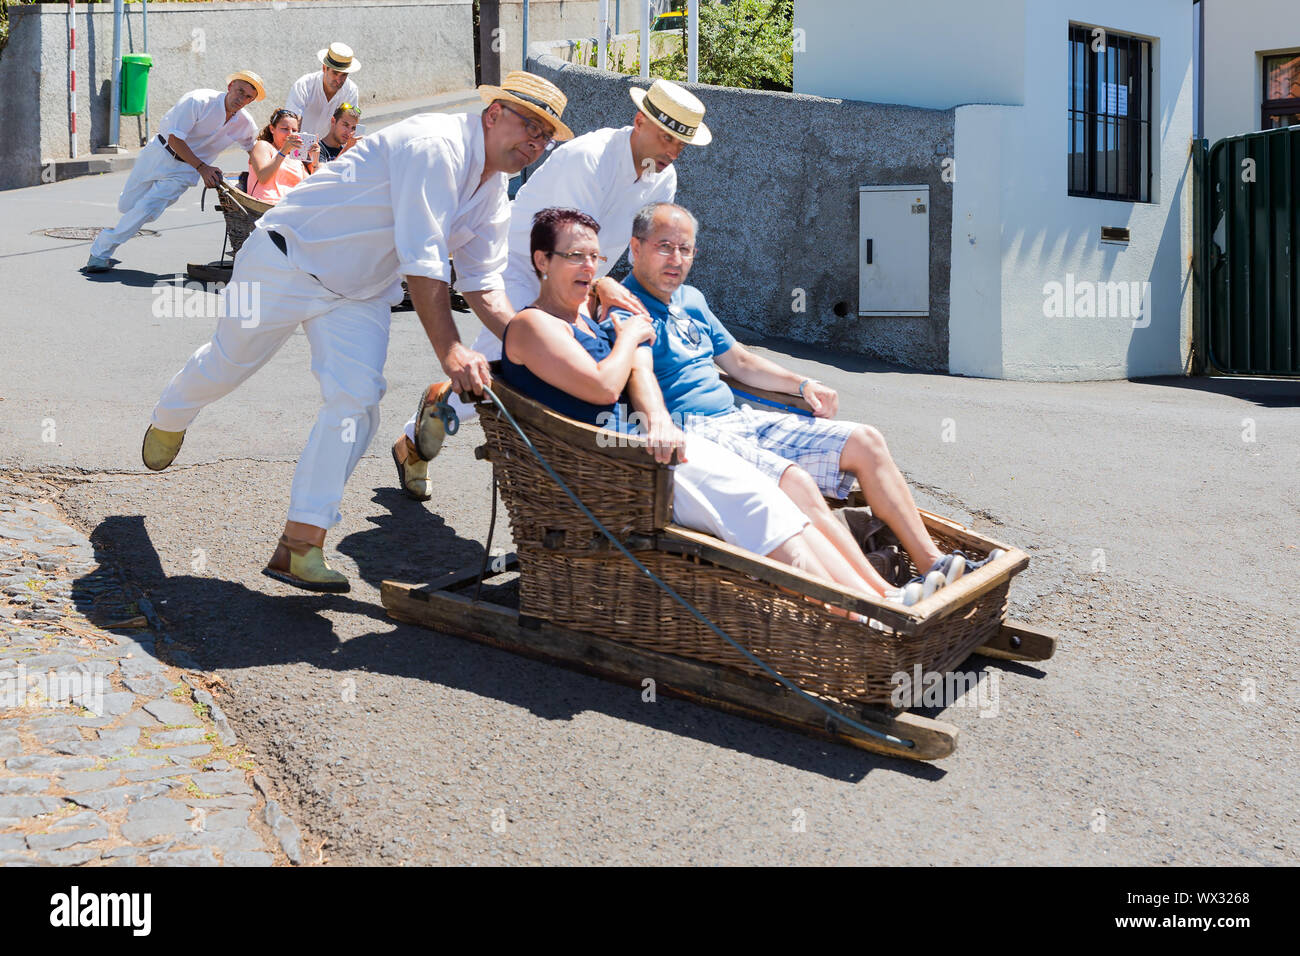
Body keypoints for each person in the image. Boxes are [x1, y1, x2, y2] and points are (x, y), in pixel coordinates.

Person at [139, 71, 575, 594]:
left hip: (360, 293)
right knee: (226, 366)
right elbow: (424, 259)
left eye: (545, 135)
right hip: (287, 259)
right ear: (493, 113)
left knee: (357, 400)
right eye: (529, 124)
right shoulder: (435, 147)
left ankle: (299, 544)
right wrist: (452, 351)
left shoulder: (493, 189)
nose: (535, 142)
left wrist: (530, 344)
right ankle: (171, 415)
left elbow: (483, 282)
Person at [612, 202, 1003, 605]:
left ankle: (933, 565)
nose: (676, 259)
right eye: (664, 246)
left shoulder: (691, 299)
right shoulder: (621, 305)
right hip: (696, 437)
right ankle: (882, 597)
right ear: (635, 248)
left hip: (740, 420)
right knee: (796, 483)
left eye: (686, 248)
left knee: (866, 441)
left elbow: (741, 362)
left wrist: (802, 384)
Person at [500, 208, 883, 600]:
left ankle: (875, 599)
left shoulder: (585, 313)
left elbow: (642, 370)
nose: (587, 266)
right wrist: (629, 337)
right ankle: (847, 612)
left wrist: (603, 287)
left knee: (774, 494)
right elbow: (603, 388)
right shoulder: (532, 325)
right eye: (574, 256)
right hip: (606, 462)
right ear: (541, 260)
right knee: (754, 506)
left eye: (594, 258)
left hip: (648, 445)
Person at [390, 78, 711, 501]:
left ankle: (443, 410)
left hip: (579, 278)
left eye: (681, 144)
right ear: (638, 121)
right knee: (508, 370)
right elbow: (565, 244)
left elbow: (625, 247)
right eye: (667, 136)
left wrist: (616, 293)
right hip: (523, 266)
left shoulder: (663, 181)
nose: (672, 151)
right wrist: (601, 286)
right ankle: (418, 438)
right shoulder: (588, 158)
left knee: (536, 374)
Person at [85, 72, 264, 272]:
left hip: (186, 171)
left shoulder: (245, 123)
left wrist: (277, 166)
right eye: (240, 91)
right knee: (127, 206)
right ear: (230, 86)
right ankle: (131, 220)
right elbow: (174, 140)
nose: (242, 99)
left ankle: (101, 250)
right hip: (159, 154)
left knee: (146, 210)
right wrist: (203, 168)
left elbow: (254, 150)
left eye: (249, 97)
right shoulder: (198, 101)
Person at [285, 42, 361, 140]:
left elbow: (350, 124)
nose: (338, 80)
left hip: (328, 151)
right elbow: (293, 121)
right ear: (324, 68)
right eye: (335, 73)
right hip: (298, 146)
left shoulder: (351, 90)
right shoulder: (304, 85)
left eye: (344, 75)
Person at [246, 107, 318, 203]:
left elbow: (311, 187)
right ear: (272, 129)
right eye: (285, 129)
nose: (290, 134)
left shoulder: (296, 157)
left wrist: (315, 159)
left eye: (294, 130)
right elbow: (263, 178)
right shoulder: (263, 146)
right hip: (267, 205)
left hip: (292, 206)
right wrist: (284, 151)